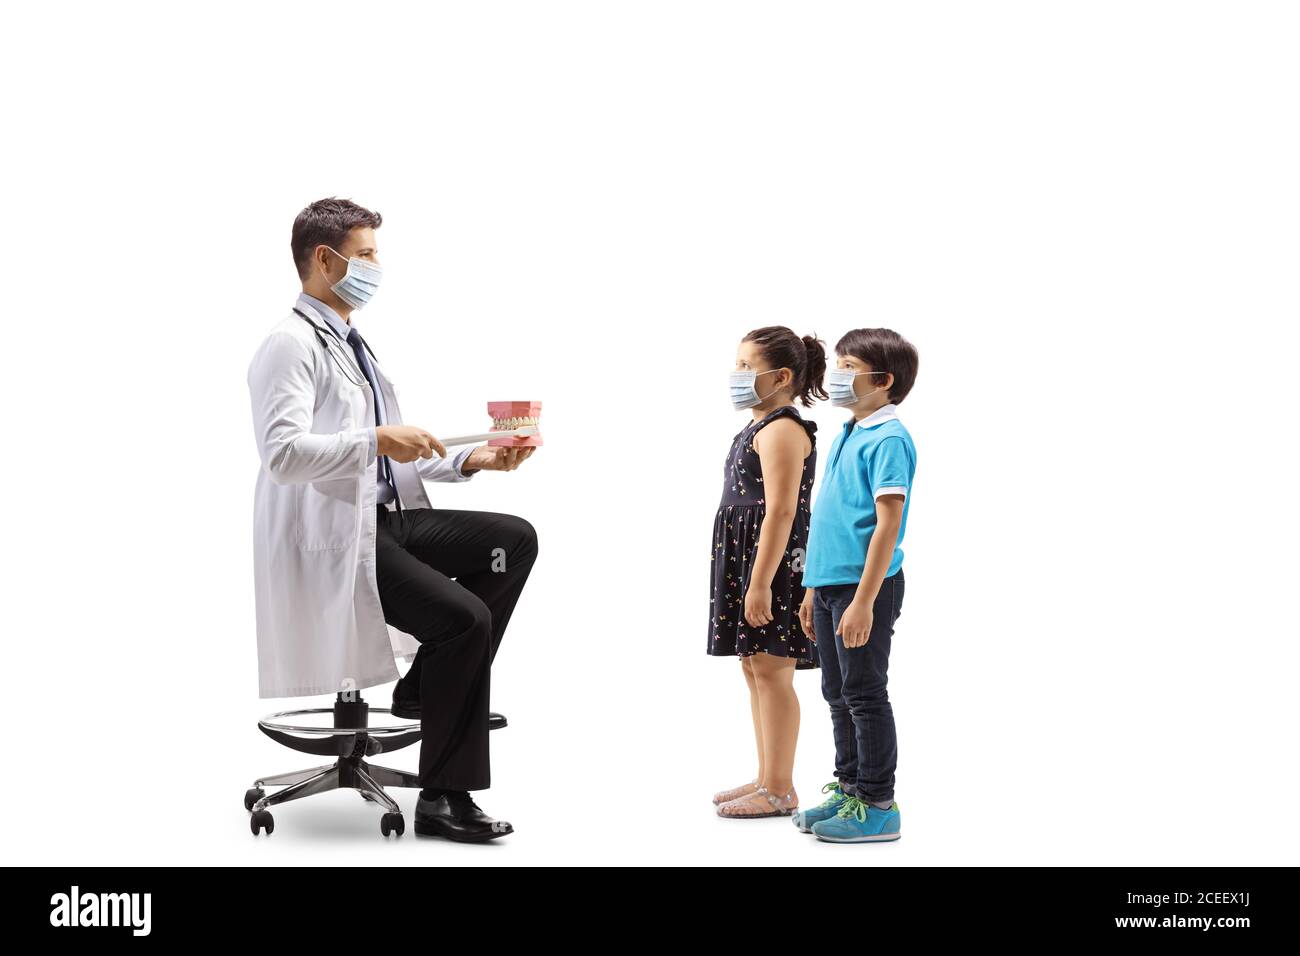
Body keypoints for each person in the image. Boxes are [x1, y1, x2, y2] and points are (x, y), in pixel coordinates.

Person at [246, 197, 538, 842]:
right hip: (334, 536)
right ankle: (444, 796)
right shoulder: (287, 345)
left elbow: (388, 457)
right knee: (464, 622)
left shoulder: (351, 343)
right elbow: (284, 455)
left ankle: (423, 686)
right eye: (368, 253)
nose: (378, 265)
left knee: (511, 542)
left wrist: (475, 459)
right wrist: (378, 439)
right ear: (326, 260)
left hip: (384, 518)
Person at [794, 327, 918, 843]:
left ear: (882, 380)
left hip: (865, 587)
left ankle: (877, 803)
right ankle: (849, 789)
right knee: (836, 692)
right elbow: (831, 519)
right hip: (828, 586)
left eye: (848, 367)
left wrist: (864, 601)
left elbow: (887, 523)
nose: (837, 375)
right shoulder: (850, 431)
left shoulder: (890, 438)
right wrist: (809, 589)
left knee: (864, 693)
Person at [709, 326, 826, 818]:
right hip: (749, 559)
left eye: (744, 365)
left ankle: (780, 788)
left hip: (772, 564)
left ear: (779, 376)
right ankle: (766, 777)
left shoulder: (782, 429)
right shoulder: (756, 427)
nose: (736, 374)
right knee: (754, 665)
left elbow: (780, 512)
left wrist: (760, 583)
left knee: (774, 669)